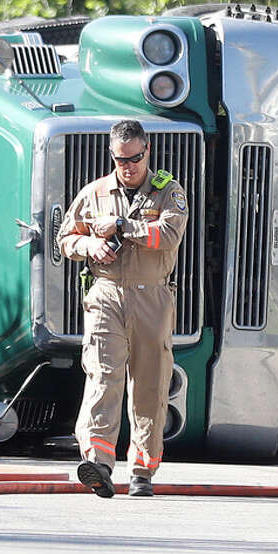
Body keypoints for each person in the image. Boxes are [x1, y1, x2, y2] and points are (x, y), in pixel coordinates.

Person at [56, 119, 188, 498]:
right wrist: (90, 246)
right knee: (103, 375)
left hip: (151, 296)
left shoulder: (169, 192)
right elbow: (66, 237)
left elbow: (168, 235)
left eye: (134, 159)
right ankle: (98, 463)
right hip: (106, 294)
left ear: (147, 151)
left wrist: (120, 226)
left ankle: (142, 470)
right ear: (111, 156)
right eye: (120, 160)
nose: (127, 167)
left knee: (149, 383)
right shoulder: (95, 192)